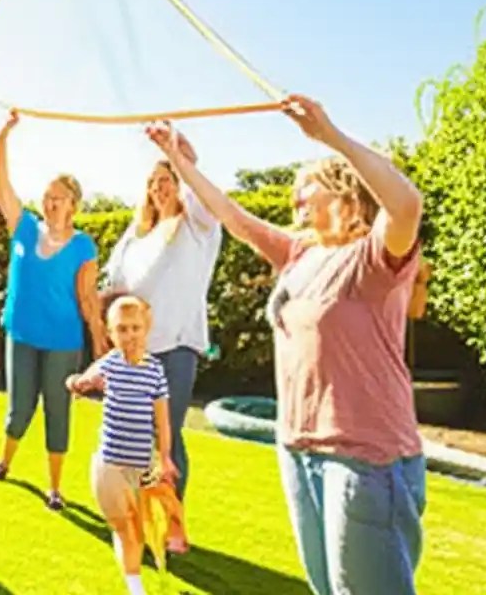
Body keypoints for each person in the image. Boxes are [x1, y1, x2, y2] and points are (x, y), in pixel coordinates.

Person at [149, 95, 426, 595]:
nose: (295, 200)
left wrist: (330, 137)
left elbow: (406, 204)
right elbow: (232, 217)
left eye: (306, 189)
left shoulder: (375, 258)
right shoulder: (299, 254)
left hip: (365, 460)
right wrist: (181, 162)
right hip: (298, 449)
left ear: (344, 197)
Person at [101, 138, 222, 552]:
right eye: (153, 181)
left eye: (166, 179)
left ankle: (173, 525)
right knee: (131, 432)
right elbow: (112, 283)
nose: (159, 187)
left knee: (166, 433)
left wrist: (183, 158)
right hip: (134, 352)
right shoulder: (137, 236)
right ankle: (131, 516)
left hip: (177, 345)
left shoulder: (197, 226)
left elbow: (204, 194)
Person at [0, 109, 109, 511]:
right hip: (21, 335)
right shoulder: (23, 227)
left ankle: (55, 488)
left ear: (73, 205)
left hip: (63, 342)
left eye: (60, 198)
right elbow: (0, 183)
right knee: (19, 408)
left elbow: (88, 298)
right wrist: (3, 135)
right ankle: (5, 461)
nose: (51, 202)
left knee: (57, 410)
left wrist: (101, 348)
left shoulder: (83, 246)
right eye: (48, 196)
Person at [67, 295, 177, 595]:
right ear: (111, 334)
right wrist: (77, 384)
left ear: (146, 328)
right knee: (126, 528)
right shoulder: (109, 364)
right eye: (122, 330)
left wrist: (165, 458)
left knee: (139, 531)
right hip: (110, 464)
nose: (130, 336)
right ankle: (135, 589)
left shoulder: (155, 370)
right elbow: (80, 381)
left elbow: (162, 421)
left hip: (141, 466)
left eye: (135, 328)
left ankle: (137, 580)